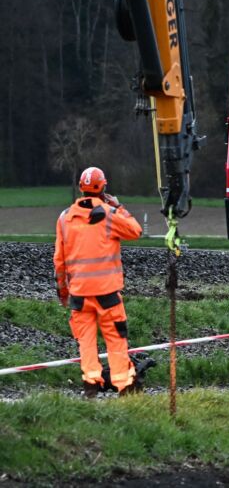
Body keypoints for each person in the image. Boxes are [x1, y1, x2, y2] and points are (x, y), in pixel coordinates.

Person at [54, 166, 143, 397]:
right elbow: (135, 231)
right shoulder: (109, 215)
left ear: (80, 188)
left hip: (79, 295)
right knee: (115, 339)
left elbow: (59, 261)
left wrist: (63, 292)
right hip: (107, 295)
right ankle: (124, 386)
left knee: (86, 341)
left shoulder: (65, 218)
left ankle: (91, 385)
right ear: (103, 188)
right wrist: (119, 206)